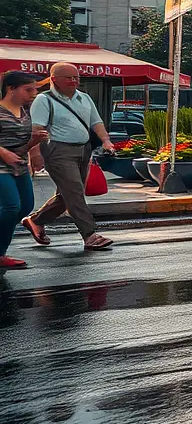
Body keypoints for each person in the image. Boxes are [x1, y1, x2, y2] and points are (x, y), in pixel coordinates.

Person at [22, 63, 116, 251]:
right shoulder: (44, 100)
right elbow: (36, 129)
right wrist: (36, 154)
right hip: (57, 151)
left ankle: (35, 220)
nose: (74, 81)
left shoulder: (85, 98)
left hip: (84, 150)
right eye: (68, 77)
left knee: (68, 194)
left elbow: (96, 122)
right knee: (74, 192)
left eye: (76, 77)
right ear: (54, 79)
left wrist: (106, 141)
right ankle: (90, 234)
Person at [0, 71, 49, 270]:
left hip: (19, 166)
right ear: (11, 89)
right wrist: (3, 153)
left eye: (35, 90)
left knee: (25, 207)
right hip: (2, 168)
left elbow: (21, 147)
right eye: (28, 89)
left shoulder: (25, 112)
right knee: (11, 206)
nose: (33, 94)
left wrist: (34, 144)